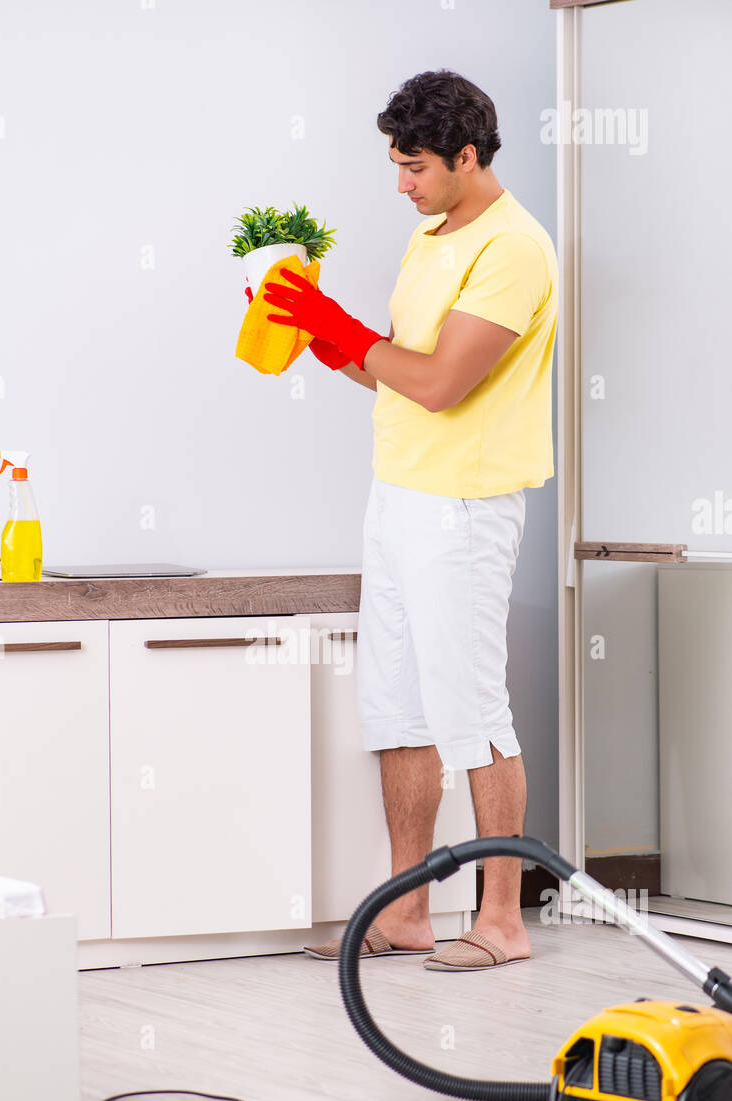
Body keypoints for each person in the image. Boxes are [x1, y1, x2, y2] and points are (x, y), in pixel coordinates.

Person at [262, 69, 559, 972]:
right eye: (397, 166)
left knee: (473, 712)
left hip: (462, 507)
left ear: (466, 156)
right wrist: (320, 332)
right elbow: (392, 367)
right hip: (398, 496)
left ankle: (502, 919)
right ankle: (407, 912)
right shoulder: (431, 238)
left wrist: (345, 332)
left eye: (415, 167)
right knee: (397, 711)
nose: (402, 185)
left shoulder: (512, 251)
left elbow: (437, 383)